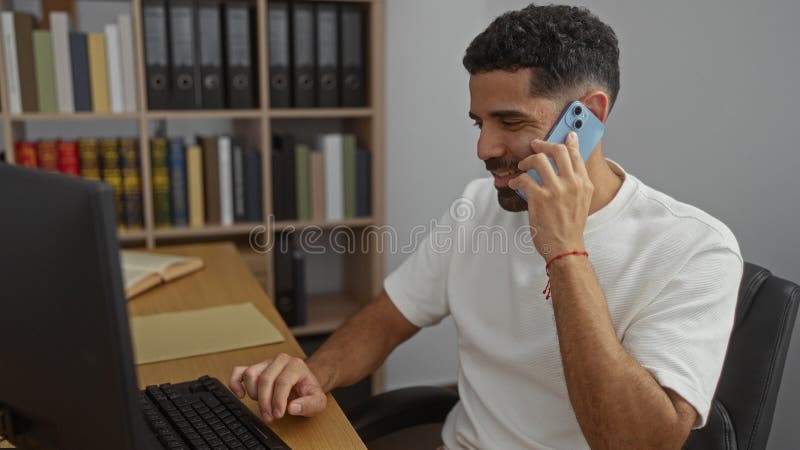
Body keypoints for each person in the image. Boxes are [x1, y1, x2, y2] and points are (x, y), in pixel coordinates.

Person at [229, 4, 743, 449]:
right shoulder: (480, 205)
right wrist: (314, 374)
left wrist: (564, 252)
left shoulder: (695, 248)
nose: (484, 149)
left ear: (586, 116)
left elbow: (637, 443)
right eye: (480, 123)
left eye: (511, 122)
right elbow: (389, 316)